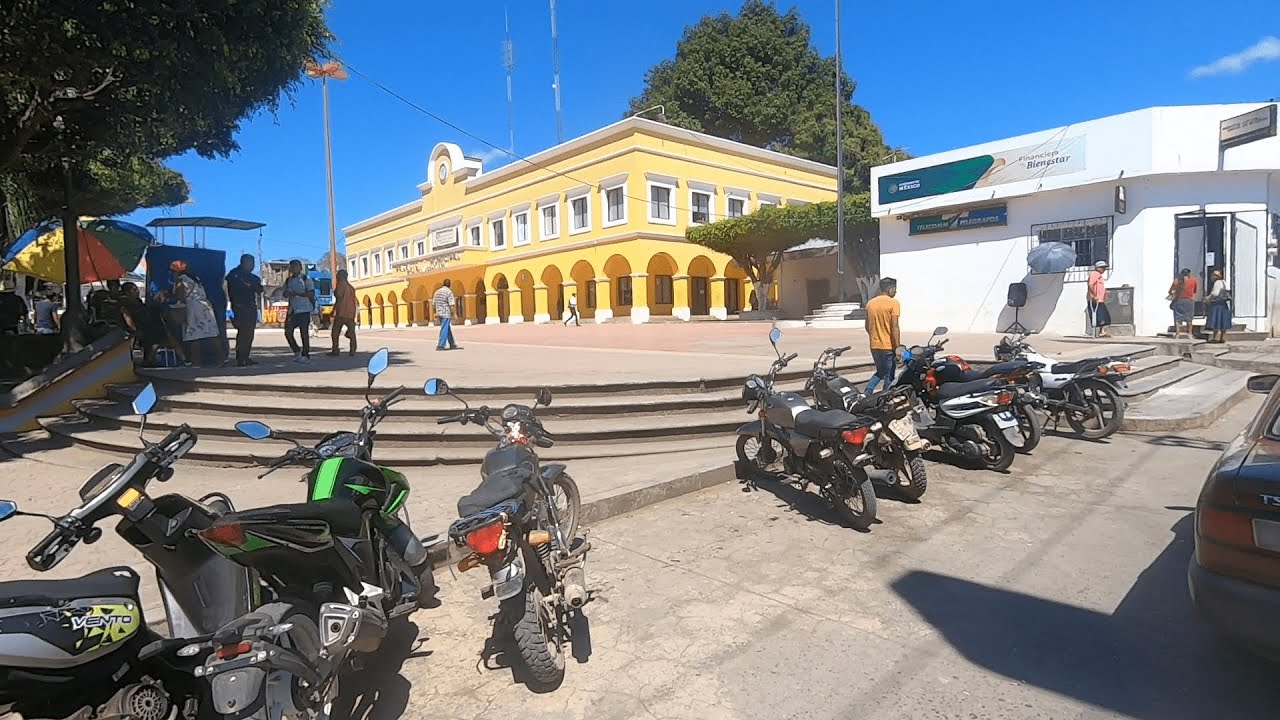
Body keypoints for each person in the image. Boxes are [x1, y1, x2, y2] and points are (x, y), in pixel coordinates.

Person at [170, 260, 220, 366]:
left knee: (193, 336)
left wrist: (169, 296)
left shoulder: (181, 280)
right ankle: (221, 357)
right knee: (211, 334)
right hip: (205, 307)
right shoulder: (196, 279)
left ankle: (196, 361)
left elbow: (180, 296)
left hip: (193, 309)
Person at [863, 277, 901, 394]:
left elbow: (867, 326)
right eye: (895, 289)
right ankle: (886, 398)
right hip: (888, 346)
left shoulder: (870, 304)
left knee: (880, 372)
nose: (895, 292)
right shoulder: (893, 303)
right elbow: (894, 327)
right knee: (889, 375)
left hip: (874, 346)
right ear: (890, 289)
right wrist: (898, 347)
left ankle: (867, 392)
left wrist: (875, 336)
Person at [225, 254, 264, 367]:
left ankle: (245, 356)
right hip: (239, 306)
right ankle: (241, 357)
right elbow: (236, 287)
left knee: (249, 333)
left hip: (251, 306)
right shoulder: (235, 274)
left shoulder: (251, 277)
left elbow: (259, 288)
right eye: (251, 263)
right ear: (244, 262)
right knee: (243, 332)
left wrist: (251, 284)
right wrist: (249, 285)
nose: (253, 266)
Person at [283, 259, 316, 364]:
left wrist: (296, 293)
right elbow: (284, 293)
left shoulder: (306, 279)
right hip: (292, 310)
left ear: (300, 268)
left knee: (304, 334)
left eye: (295, 266)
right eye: (291, 266)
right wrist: (287, 294)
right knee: (288, 332)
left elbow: (311, 294)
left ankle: (306, 355)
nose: (293, 268)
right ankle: (297, 351)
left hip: (304, 309)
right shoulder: (288, 280)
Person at [328, 268, 358, 357]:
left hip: (342, 312)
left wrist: (334, 310)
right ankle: (353, 350)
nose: (337, 277)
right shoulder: (351, 287)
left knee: (335, 332)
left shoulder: (341, 285)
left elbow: (339, 298)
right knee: (352, 332)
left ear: (341, 276)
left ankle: (335, 350)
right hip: (351, 313)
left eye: (338, 275)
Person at [1167, 268, 1198, 340]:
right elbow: (1194, 291)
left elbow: (1170, 291)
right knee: (1189, 319)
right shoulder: (1193, 280)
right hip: (1189, 301)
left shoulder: (1177, 281)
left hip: (1179, 300)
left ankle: (1178, 334)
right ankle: (1189, 334)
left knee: (1178, 318)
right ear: (1189, 274)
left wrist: (1174, 293)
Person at [1205, 268, 1232, 344]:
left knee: (1216, 322)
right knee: (1223, 323)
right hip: (1224, 305)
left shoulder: (1217, 283)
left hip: (1217, 305)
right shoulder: (1224, 282)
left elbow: (1215, 293)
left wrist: (1208, 298)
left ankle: (1215, 337)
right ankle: (1222, 337)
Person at [433, 279, 460, 351]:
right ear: (449, 285)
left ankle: (452, 343)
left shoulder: (437, 292)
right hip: (446, 313)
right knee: (444, 328)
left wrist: (435, 313)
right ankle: (440, 345)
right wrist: (454, 314)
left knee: (447, 328)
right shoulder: (448, 292)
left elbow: (433, 304)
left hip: (439, 312)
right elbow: (451, 304)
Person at [1087, 261, 1111, 338]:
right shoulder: (1095, 274)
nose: (1104, 270)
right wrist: (1094, 295)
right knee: (1101, 317)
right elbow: (1090, 284)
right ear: (1099, 268)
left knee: (1104, 317)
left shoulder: (1099, 275)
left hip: (1100, 300)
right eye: (1103, 268)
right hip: (1096, 300)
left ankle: (1102, 332)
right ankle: (1099, 332)